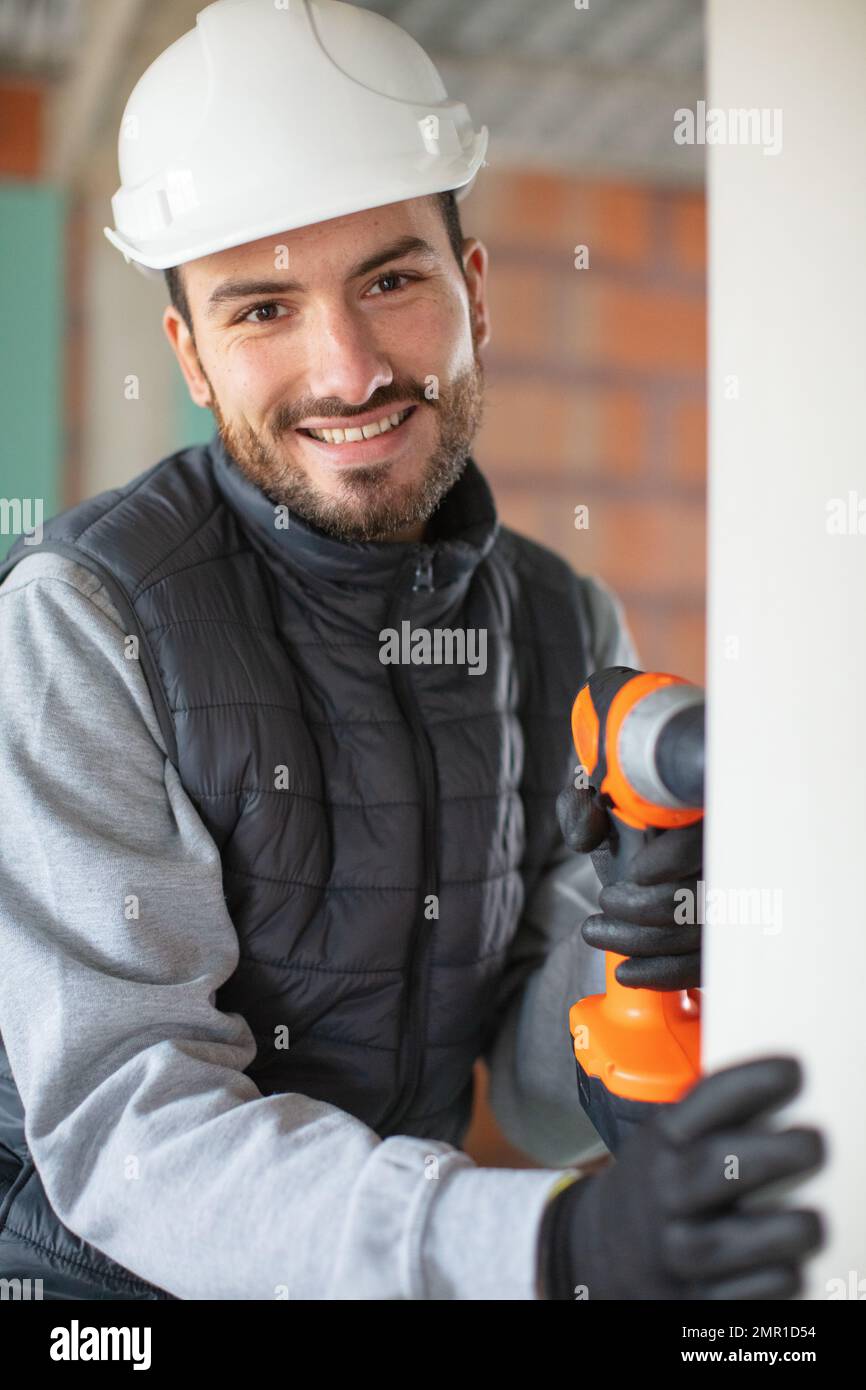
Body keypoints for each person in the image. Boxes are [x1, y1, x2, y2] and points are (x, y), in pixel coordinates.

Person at [0, 0, 823, 1300]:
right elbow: (123, 1123)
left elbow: (542, 1103)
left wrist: (633, 935)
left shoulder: (561, 624)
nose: (347, 369)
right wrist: (547, 1246)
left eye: (388, 280)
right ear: (192, 358)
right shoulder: (82, 618)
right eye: (263, 308)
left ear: (471, 288)